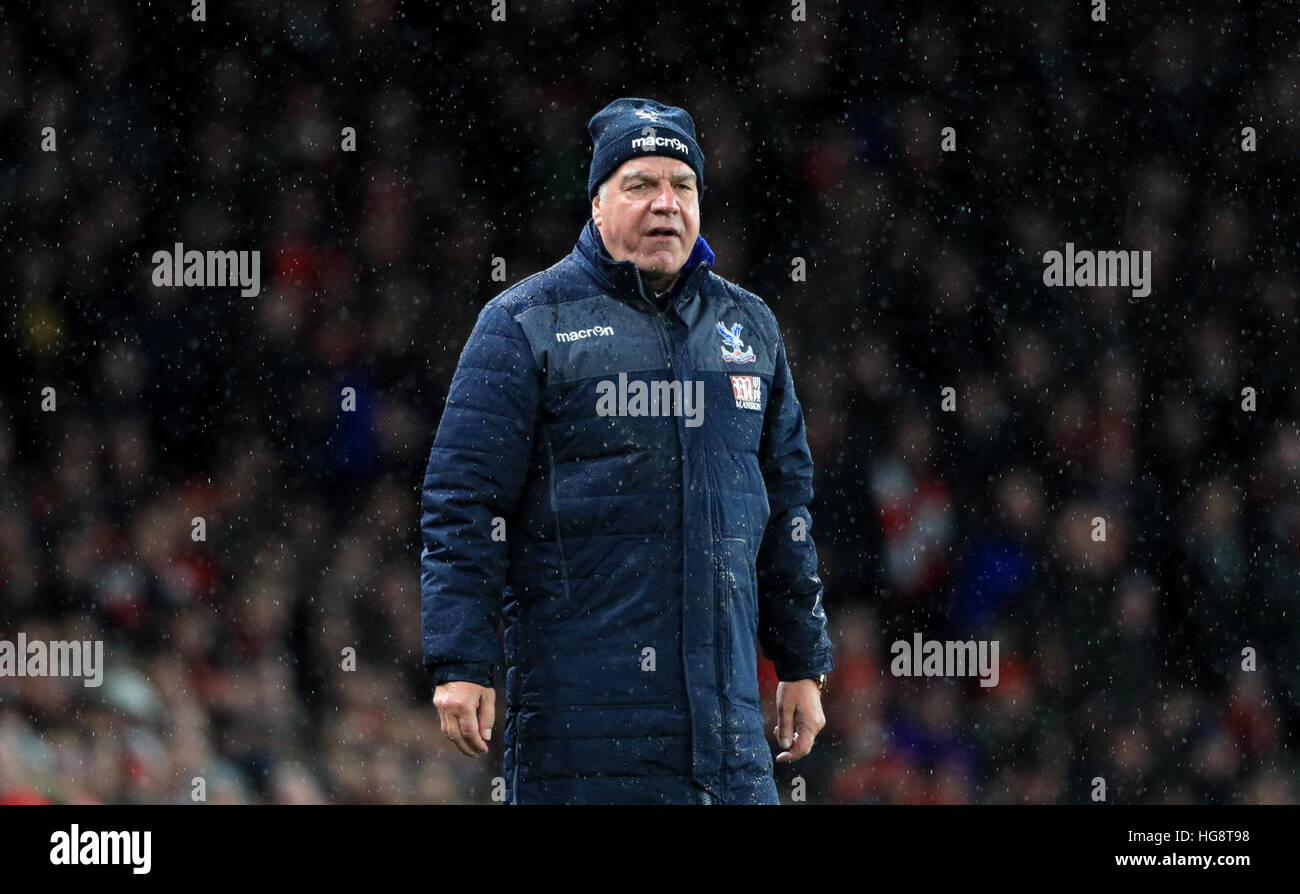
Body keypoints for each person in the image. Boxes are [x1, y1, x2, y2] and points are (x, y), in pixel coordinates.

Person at [421, 97, 833, 805]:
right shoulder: (522, 323)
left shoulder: (750, 327)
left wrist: (802, 663)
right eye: (640, 184)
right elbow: (463, 503)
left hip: (729, 746)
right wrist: (462, 660)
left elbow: (786, 508)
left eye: (683, 186)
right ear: (597, 205)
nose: (666, 203)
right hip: (580, 742)